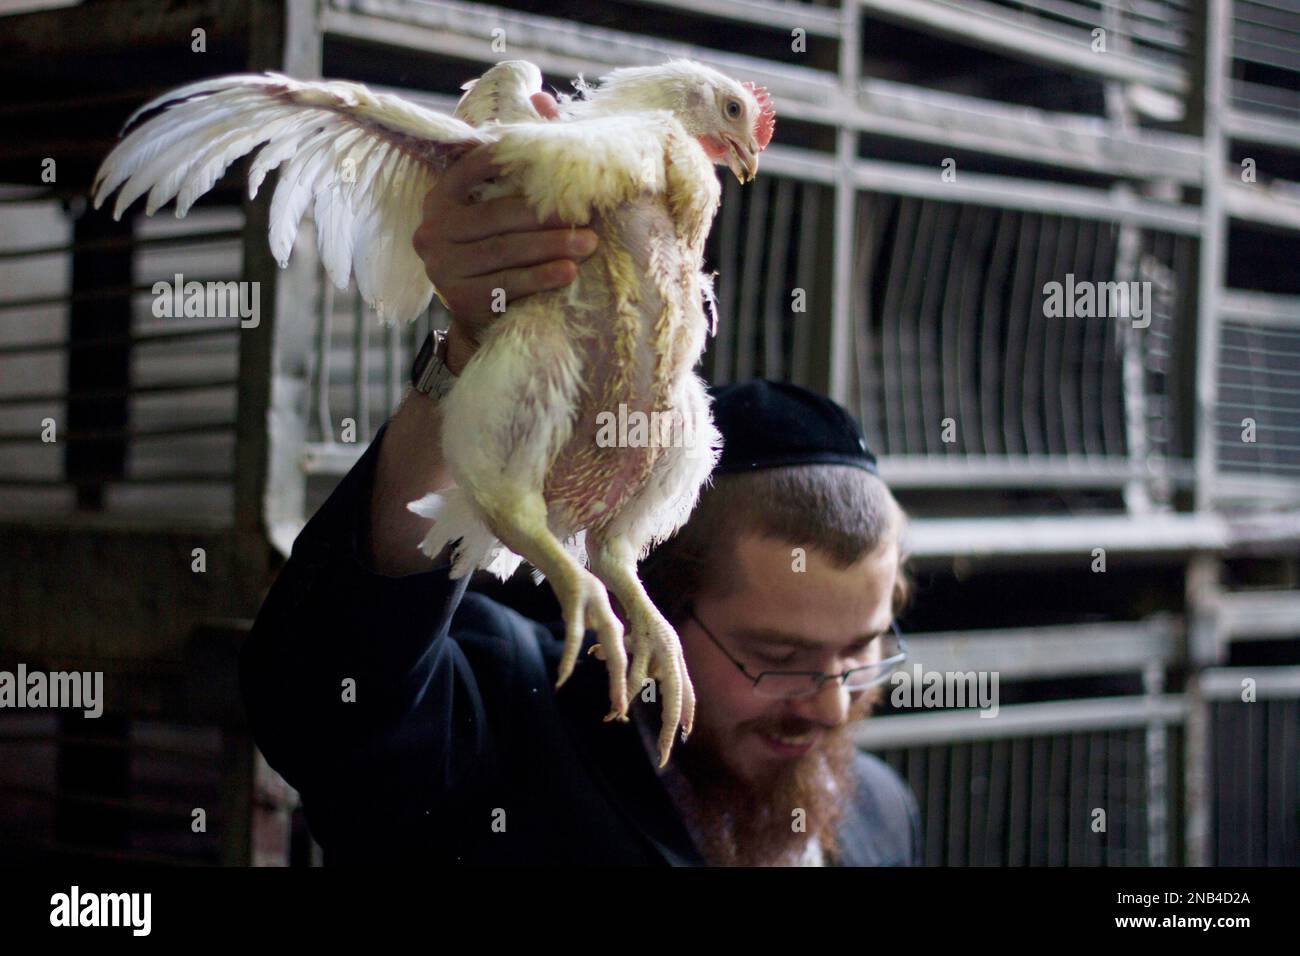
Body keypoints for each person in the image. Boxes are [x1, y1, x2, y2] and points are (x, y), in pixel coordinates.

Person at [237, 148, 923, 866]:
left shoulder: (878, 812)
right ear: (653, 602)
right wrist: (471, 355)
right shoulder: (511, 717)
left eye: (858, 652)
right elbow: (330, 703)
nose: (832, 707)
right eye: (778, 658)